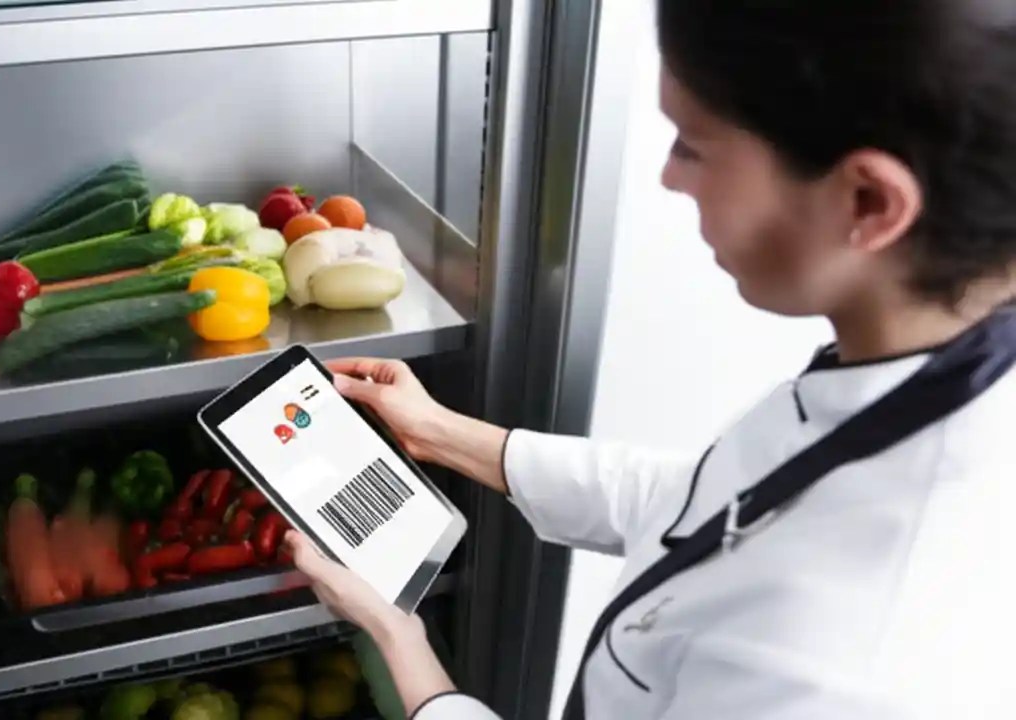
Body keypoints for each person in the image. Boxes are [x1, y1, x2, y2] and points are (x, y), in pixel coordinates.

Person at [281, 1, 1016, 718]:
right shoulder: (925, 370)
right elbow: (715, 503)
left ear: (868, 202)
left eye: (693, 144)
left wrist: (399, 640)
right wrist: (441, 434)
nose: (668, 176)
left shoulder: (836, 670)